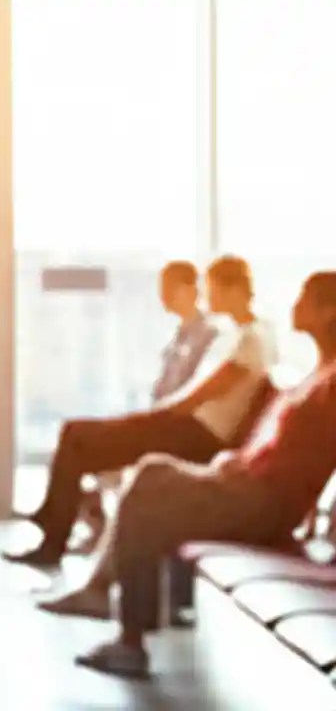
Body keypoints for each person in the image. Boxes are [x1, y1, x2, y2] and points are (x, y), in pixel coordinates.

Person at [74, 271, 336, 678]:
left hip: (263, 503)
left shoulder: (331, 384)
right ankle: (119, 616)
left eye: (305, 298)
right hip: (250, 488)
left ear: (329, 311)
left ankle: (127, 632)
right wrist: (238, 459)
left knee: (149, 489)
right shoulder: (316, 374)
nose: (294, 304)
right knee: (153, 472)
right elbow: (281, 448)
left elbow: (299, 464)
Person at [4, 255, 277, 567]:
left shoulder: (251, 339)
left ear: (234, 290)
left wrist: (154, 416)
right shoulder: (239, 335)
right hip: (188, 427)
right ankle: (52, 526)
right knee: (75, 436)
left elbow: (200, 396)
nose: (206, 296)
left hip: (196, 435)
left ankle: (52, 533)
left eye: (211, 288)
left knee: (77, 436)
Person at [69, 261, 219, 553]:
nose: (163, 296)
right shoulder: (182, 333)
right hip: (159, 420)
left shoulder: (207, 336)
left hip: (174, 429)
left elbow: (189, 397)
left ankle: (98, 534)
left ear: (190, 290)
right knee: (83, 445)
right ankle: (96, 529)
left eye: (169, 289)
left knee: (87, 448)